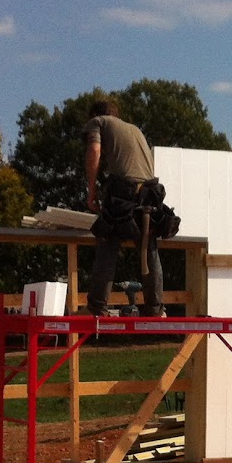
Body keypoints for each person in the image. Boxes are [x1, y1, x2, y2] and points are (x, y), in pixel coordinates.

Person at [82, 98, 166, 317]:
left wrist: (91, 190)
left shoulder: (97, 122)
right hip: (150, 192)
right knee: (148, 249)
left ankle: (96, 307)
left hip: (124, 190)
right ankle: (155, 309)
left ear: (96, 115)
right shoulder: (135, 129)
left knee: (107, 241)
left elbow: (94, 150)